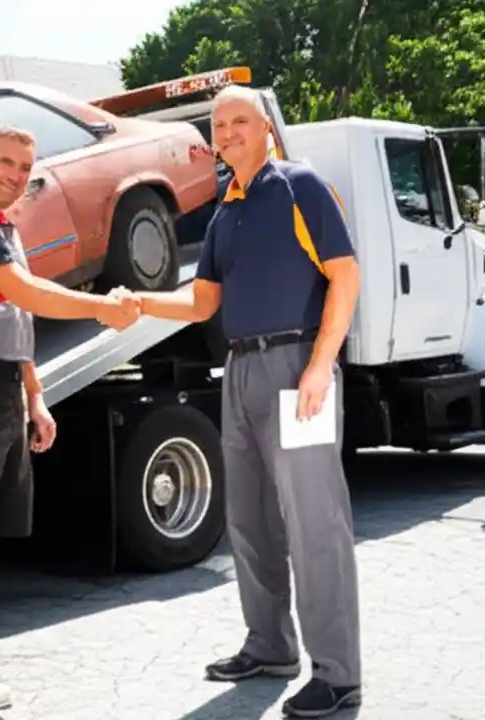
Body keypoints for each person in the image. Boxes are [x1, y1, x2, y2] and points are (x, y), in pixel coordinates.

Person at [118, 85, 363, 718]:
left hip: (295, 367)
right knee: (250, 520)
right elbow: (202, 303)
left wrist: (319, 367)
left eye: (237, 121)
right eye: (216, 125)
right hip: (240, 371)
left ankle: (337, 674)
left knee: (315, 525)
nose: (225, 133)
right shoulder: (226, 213)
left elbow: (345, 273)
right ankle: (270, 644)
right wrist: (139, 303)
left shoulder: (299, 186)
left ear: (264, 129)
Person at [0, 126, 139, 712]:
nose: (15, 174)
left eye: (24, 167)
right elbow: (22, 290)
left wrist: (33, 395)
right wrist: (101, 309)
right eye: (6, 162)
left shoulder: (2, 227)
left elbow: (13, 317)